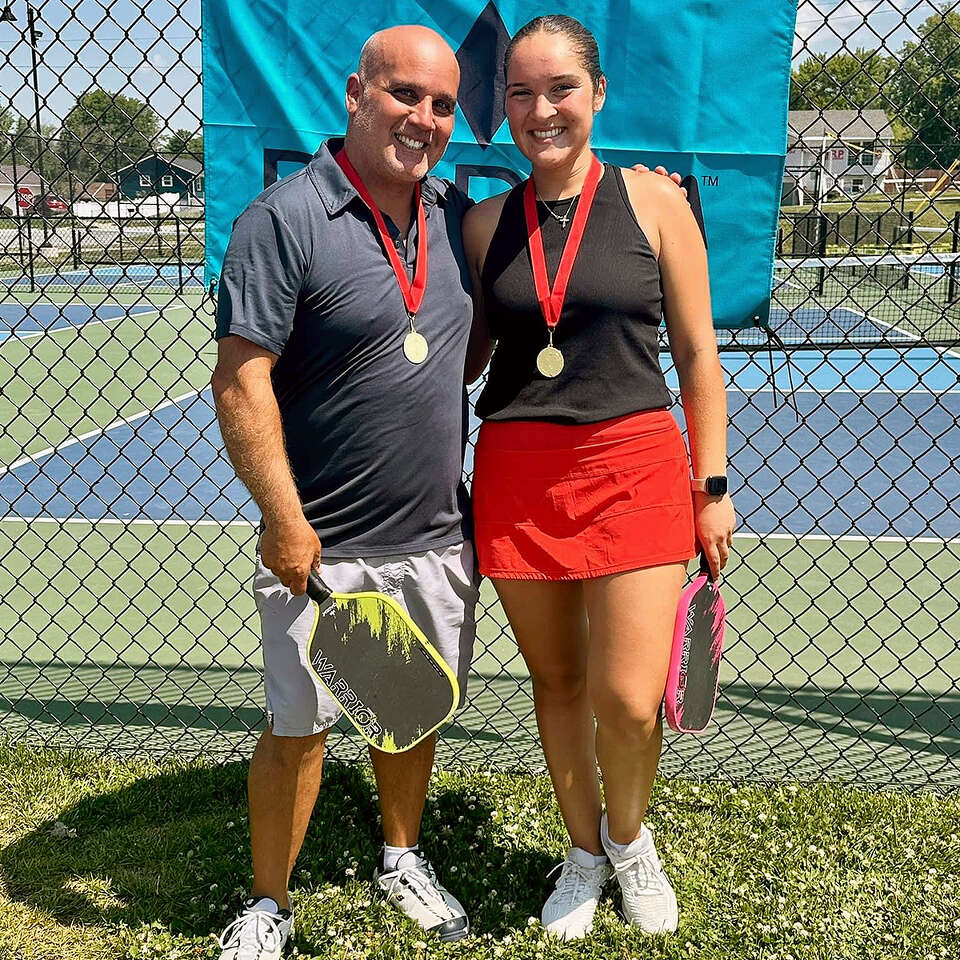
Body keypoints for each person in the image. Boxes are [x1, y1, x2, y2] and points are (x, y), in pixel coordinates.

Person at [463, 14, 736, 942]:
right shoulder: (484, 226)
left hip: (635, 467)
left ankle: (629, 841)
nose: (542, 110)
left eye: (560, 89)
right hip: (518, 472)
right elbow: (461, 362)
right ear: (503, 106)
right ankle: (582, 856)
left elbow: (699, 357)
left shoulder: (658, 204)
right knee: (558, 682)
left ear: (598, 94)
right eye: (522, 92)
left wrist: (714, 484)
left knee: (627, 696)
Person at [211, 26, 476, 958]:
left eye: (443, 104)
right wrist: (284, 518)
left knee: (412, 709)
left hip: (440, 536)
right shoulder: (281, 220)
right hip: (322, 547)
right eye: (406, 95)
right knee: (299, 729)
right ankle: (270, 904)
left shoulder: (451, 212)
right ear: (356, 92)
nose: (426, 119)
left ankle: (400, 854)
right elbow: (242, 381)